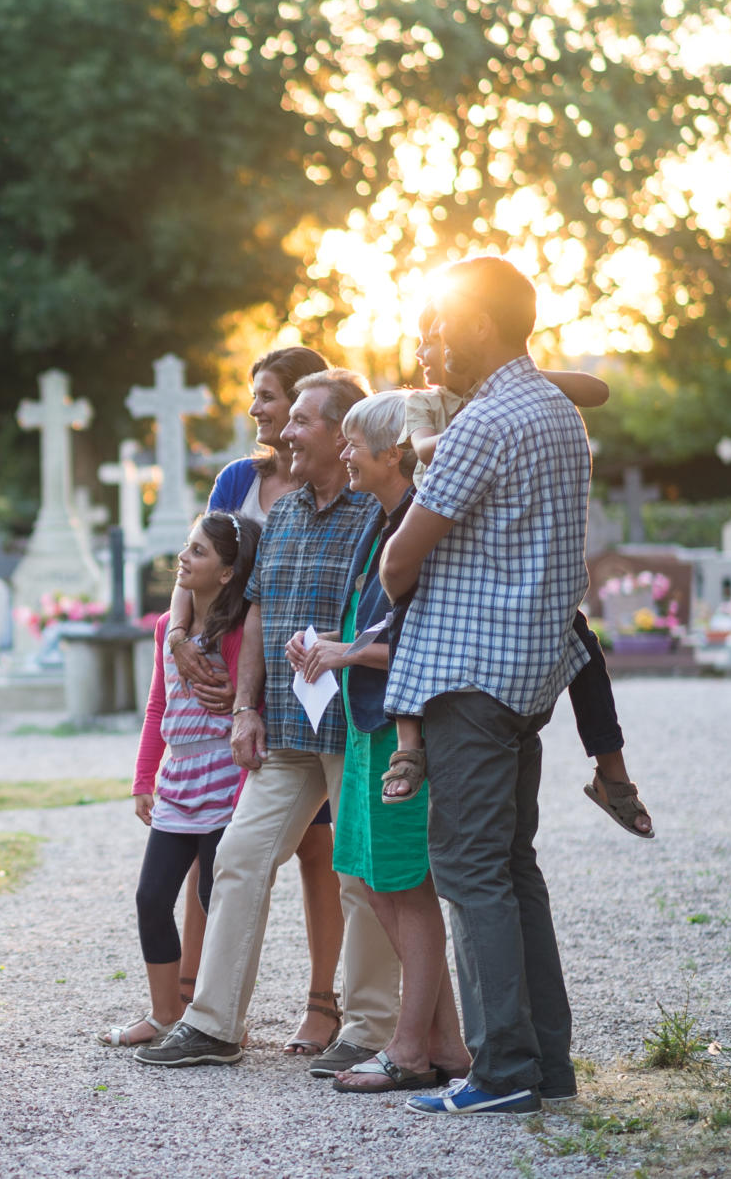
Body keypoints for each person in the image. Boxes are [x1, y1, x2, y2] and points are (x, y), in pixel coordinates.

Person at [137, 369, 400, 1074]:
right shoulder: (278, 516)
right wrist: (246, 708)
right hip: (283, 731)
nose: (284, 432)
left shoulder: (376, 516)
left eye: (301, 422)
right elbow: (253, 615)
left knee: (357, 875)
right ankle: (214, 1023)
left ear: (343, 433)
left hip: (353, 726)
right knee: (239, 858)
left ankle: (369, 1028)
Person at [380, 257, 590, 1116]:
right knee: (511, 866)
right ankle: (546, 1064)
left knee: (469, 869)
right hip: (530, 672)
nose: (431, 338)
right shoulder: (555, 411)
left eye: (440, 321)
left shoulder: (484, 423)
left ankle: (501, 1072)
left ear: (478, 324)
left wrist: (401, 558)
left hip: (469, 677)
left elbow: (398, 564)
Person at [389, 311, 653, 839]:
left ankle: (612, 769)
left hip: (490, 652)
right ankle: (407, 749)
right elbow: (421, 452)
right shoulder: (433, 403)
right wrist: (478, 416)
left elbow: (595, 389)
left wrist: (519, 382)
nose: (426, 352)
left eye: (438, 339)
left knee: (585, 649)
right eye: (421, 343)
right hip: (427, 509)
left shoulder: (497, 405)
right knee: (405, 622)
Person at [288, 391, 471, 1094]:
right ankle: (447, 1045)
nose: (343, 454)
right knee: (371, 881)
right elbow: (379, 630)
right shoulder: (380, 522)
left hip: (405, 737)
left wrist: (345, 656)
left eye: (354, 444)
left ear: (393, 452)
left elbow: (421, 644)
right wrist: (334, 647)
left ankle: (407, 1050)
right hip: (369, 726)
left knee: (405, 888)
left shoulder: (417, 527)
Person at [165, 345, 346, 1056]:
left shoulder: (348, 493)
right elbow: (201, 560)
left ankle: (326, 1006)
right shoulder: (242, 479)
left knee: (327, 856)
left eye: (270, 397)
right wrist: (181, 634)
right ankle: (197, 1010)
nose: (258, 410)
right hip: (245, 688)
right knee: (227, 842)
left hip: (323, 693)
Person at [99, 512, 259, 1049]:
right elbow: (157, 705)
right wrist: (145, 777)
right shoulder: (169, 631)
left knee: (219, 900)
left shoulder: (239, 632)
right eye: (186, 547)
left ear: (227, 573)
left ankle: (220, 1019)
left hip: (224, 781)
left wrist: (241, 798)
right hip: (178, 781)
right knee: (151, 896)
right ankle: (165, 1013)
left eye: (198, 552)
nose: (183, 559)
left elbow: (247, 707)